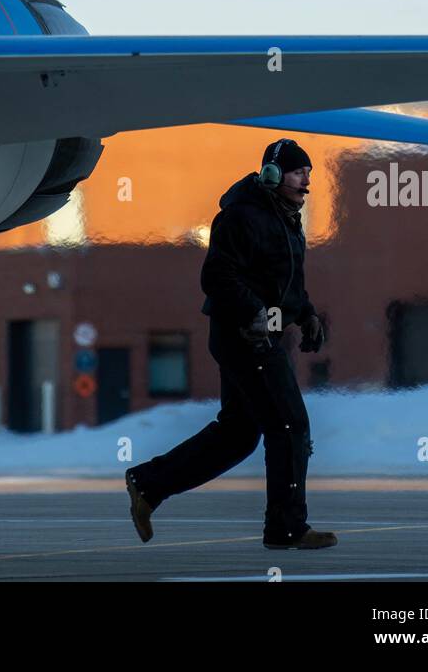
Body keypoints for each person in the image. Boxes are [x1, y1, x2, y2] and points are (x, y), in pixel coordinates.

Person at [125, 139, 337, 550]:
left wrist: (306, 313)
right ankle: (286, 528)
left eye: (308, 172)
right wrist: (253, 313)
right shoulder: (242, 217)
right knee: (289, 425)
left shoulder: (287, 217)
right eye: (298, 172)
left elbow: (284, 279)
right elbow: (218, 277)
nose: (306, 180)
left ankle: (148, 484)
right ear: (272, 175)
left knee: (239, 433)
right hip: (244, 338)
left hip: (262, 335)